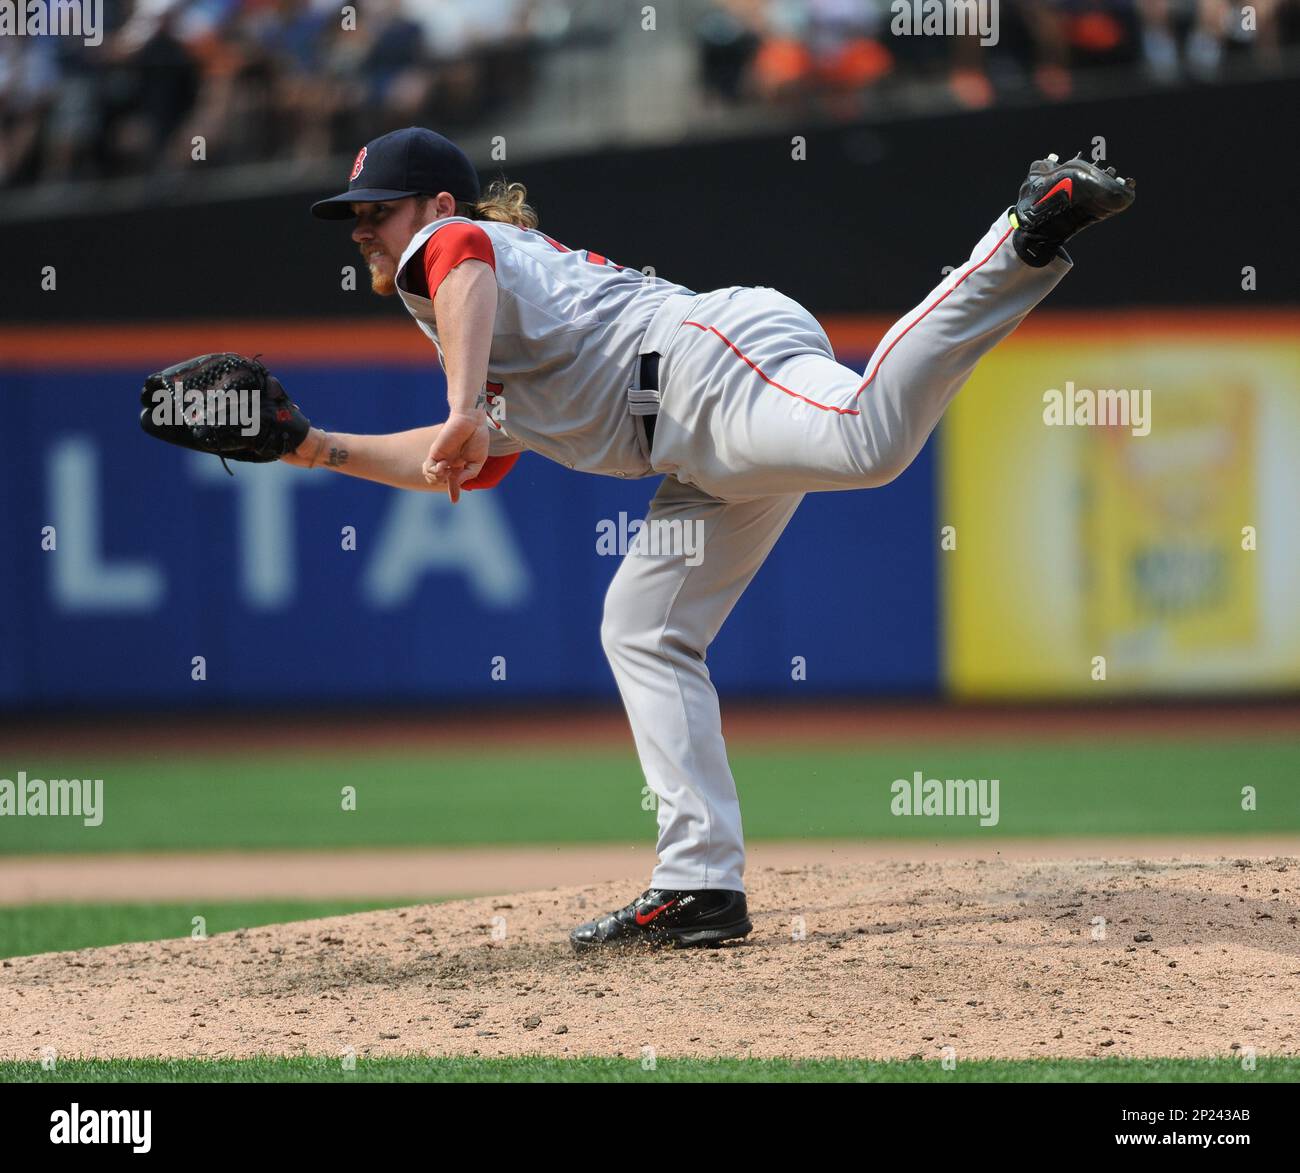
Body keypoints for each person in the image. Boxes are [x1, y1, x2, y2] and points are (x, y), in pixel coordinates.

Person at [291, 126, 1135, 950]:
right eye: (355, 214)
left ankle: (1019, 233)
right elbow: (464, 467)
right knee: (641, 626)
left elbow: (457, 258)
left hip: (701, 368)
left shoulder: (451, 253)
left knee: (867, 443)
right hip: (695, 438)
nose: (363, 227)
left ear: (436, 203)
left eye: (380, 209)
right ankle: (699, 886)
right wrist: (310, 445)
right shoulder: (489, 312)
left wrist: (464, 406)